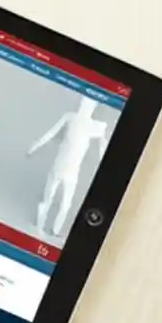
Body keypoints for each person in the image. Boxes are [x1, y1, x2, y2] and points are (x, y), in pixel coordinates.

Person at [28, 97, 110, 236]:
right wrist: (34, 147)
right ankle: (45, 228)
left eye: (87, 103)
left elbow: (103, 146)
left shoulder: (88, 123)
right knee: (56, 200)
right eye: (84, 102)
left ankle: (49, 229)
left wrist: (34, 147)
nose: (84, 105)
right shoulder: (79, 120)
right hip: (63, 168)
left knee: (60, 201)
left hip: (67, 169)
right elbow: (50, 133)